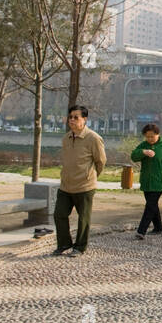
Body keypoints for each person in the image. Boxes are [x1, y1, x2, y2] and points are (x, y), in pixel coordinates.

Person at [54, 104, 106, 257]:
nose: (72, 120)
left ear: (84, 119)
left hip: (85, 186)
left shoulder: (94, 138)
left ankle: (80, 247)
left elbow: (101, 161)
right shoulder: (66, 138)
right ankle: (64, 244)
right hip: (66, 186)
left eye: (76, 117)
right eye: (70, 117)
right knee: (59, 214)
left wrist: (91, 177)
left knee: (83, 219)